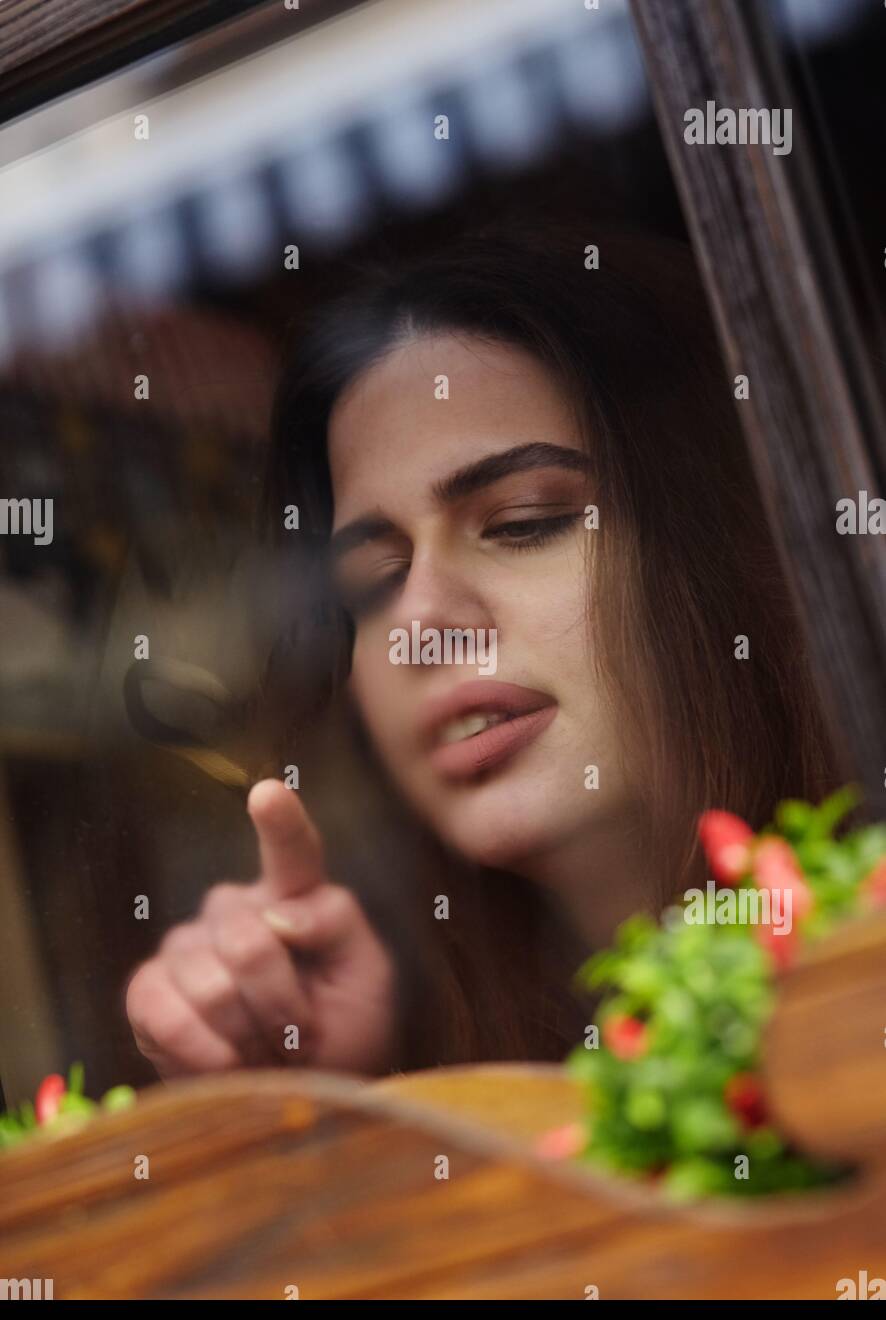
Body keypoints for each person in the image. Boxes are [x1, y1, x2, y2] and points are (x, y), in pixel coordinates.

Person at [126, 219, 839, 1081]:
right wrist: (332, 1117)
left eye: (522, 524)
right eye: (373, 581)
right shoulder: (401, 1046)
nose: (423, 622)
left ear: (718, 546)